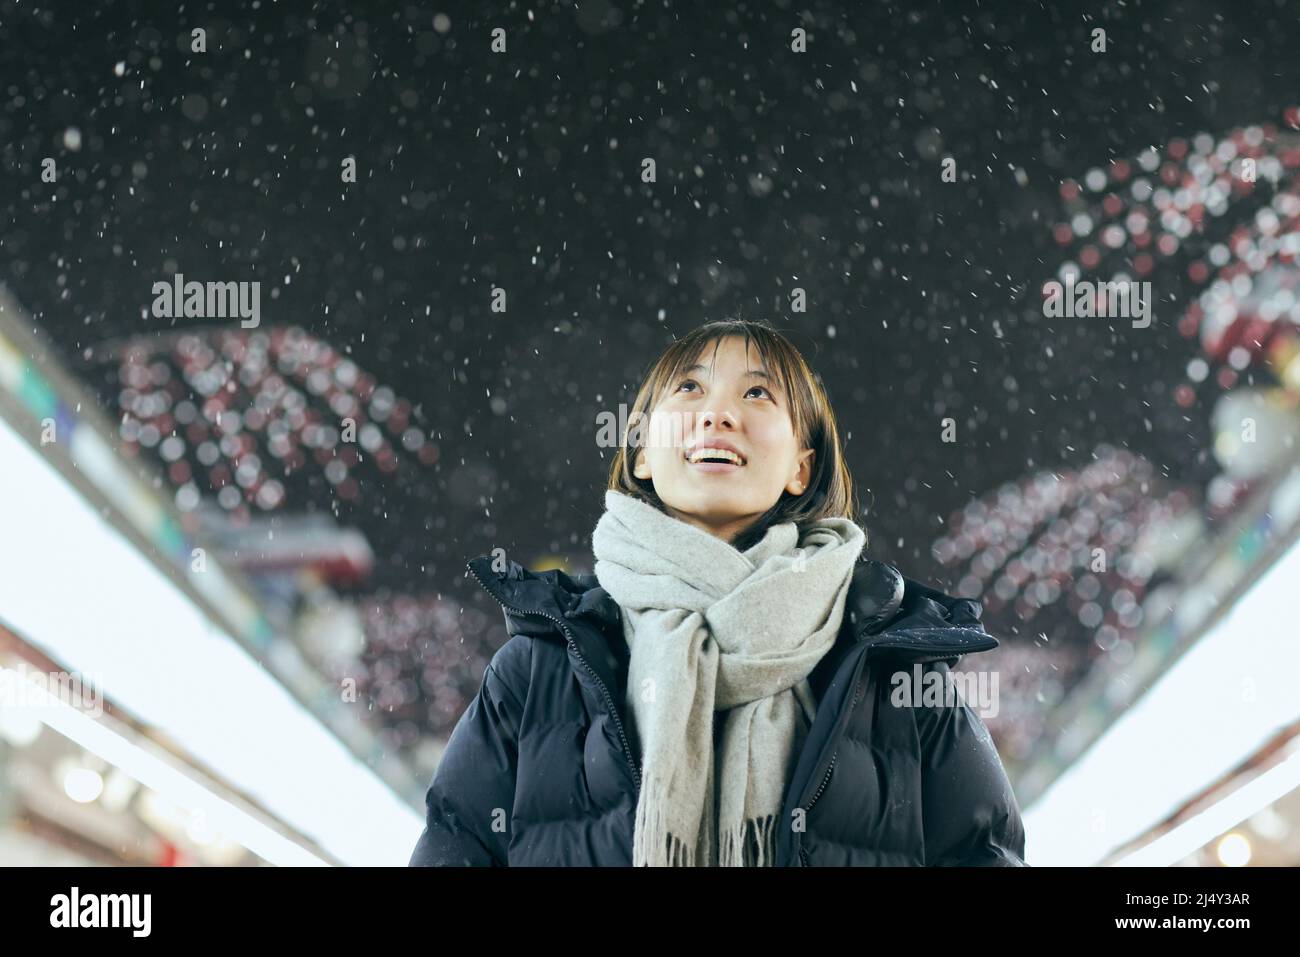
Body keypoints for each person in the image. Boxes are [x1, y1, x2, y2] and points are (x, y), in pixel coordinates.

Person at [409, 319, 1027, 866]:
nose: (717, 414)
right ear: (643, 454)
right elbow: (456, 843)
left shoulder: (894, 669)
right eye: (689, 389)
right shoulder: (538, 669)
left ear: (800, 468)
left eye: (757, 393)